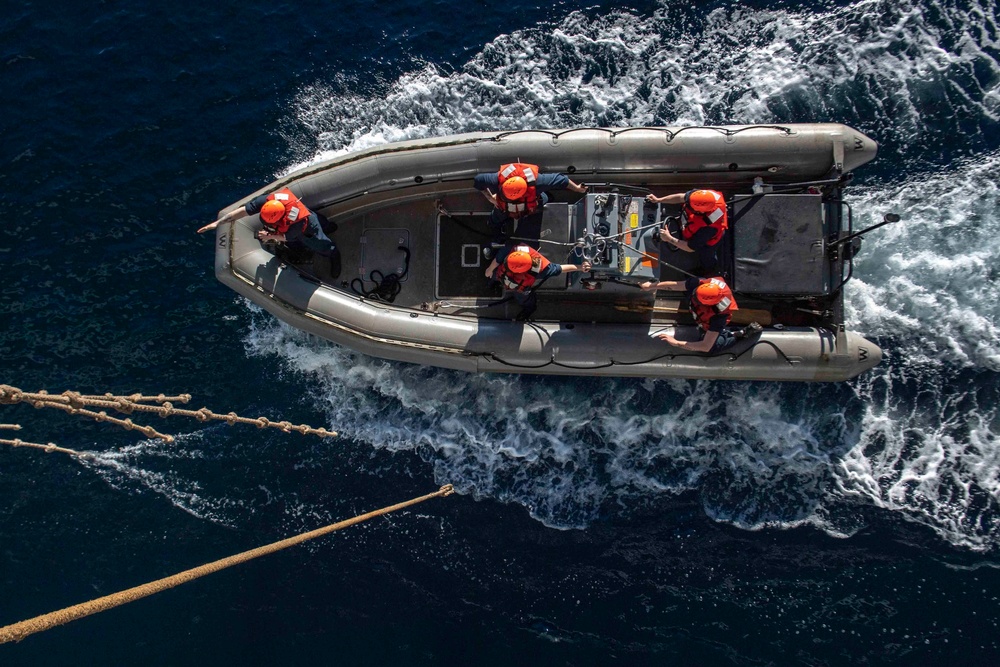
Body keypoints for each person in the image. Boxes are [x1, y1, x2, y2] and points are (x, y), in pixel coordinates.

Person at [198, 187, 338, 258]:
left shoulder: (295, 223)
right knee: (320, 221)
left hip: (307, 228)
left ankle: (333, 253)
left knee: (319, 242)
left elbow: (287, 237)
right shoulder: (267, 201)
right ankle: (330, 226)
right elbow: (243, 211)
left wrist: (268, 236)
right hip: (307, 215)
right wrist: (217, 223)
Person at [639, 276, 761, 352]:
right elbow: (677, 285)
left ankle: (738, 335)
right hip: (699, 310)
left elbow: (705, 346)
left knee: (714, 347)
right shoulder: (702, 284)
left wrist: (676, 343)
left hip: (709, 324)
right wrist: (651, 286)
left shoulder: (718, 316)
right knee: (686, 287)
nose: (694, 297)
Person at [474, 163, 588, 244]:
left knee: (544, 198)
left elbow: (562, 180)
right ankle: (496, 233)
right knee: (495, 219)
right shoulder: (495, 180)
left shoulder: (537, 182)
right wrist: (491, 199)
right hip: (503, 206)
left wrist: (577, 188)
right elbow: (478, 180)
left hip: (530, 202)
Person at [485, 244, 592, 320]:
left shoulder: (539, 268)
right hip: (502, 276)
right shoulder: (512, 252)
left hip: (519, 287)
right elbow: (498, 260)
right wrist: (489, 269)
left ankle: (529, 309)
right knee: (494, 275)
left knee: (524, 298)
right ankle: (493, 282)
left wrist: (579, 267)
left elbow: (560, 268)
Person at [645, 189, 727, 274]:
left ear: (700, 211)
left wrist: (669, 238)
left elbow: (690, 248)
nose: (687, 205)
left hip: (710, 240)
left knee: (706, 256)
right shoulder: (699, 197)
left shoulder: (708, 228)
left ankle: (709, 271)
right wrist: (659, 200)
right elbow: (681, 197)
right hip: (691, 223)